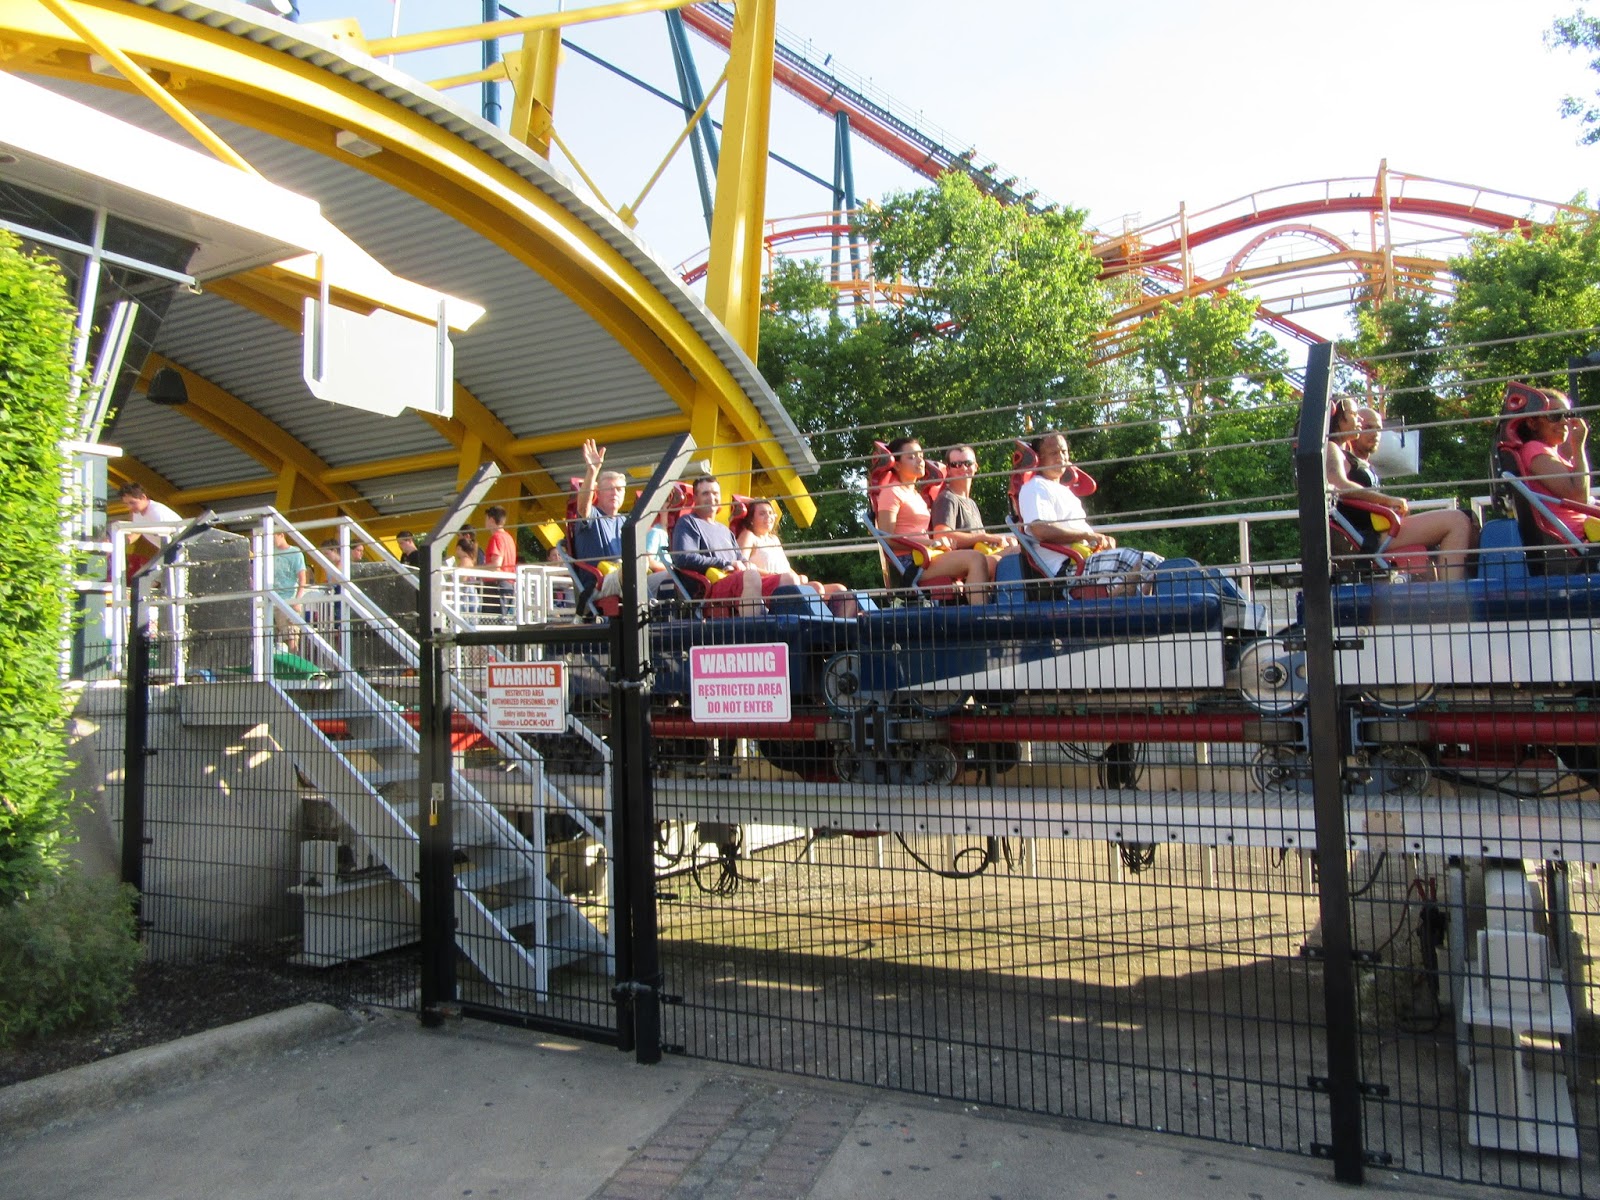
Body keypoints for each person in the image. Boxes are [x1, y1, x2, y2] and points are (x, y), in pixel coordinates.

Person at [1324, 396, 1475, 581]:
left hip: (1375, 529)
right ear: (1338, 418)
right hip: (1370, 535)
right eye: (1354, 414)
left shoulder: (1345, 452)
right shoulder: (1332, 448)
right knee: (1457, 521)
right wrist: (1388, 501)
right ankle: (1453, 595)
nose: (1360, 421)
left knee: (1464, 519)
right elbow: (1338, 484)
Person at [1017, 430, 1161, 594]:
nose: (1061, 457)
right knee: (1147, 562)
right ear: (1039, 458)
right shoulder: (1035, 487)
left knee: (1153, 571)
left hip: (1087, 559)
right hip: (1068, 567)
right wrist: (1087, 536)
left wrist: (1102, 542)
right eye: (1053, 453)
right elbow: (1040, 530)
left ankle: (1127, 604)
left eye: (1064, 451)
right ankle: (1121, 603)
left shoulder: (1065, 491)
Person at [874, 437, 996, 602]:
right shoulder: (891, 492)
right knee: (976, 559)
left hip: (927, 555)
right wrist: (930, 543)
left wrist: (939, 544)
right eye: (911, 457)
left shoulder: (914, 494)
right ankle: (981, 619)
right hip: (912, 562)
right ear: (897, 464)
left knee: (987, 559)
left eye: (920, 456)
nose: (919, 461)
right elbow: (887, 538)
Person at [672, 476, 799, 612]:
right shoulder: (688, 523)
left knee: (788, 579)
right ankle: (754, 631)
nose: (711, 498)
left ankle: (784, 629)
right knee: (751, 576)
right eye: (705, 493)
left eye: (715, 493)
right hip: (710, 587)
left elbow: (740, 557)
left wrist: (746, 563)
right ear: (695, 499)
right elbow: (683, 558)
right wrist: (727, 563)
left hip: (738, 581)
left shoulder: (725, 531)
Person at [735, 497, 857, 616]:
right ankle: (820, 629)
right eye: (762, 514)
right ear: (751, 519)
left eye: (771, 513)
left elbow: (786, 568)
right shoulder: (749, 536)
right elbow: (743, 565)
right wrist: (773, 574)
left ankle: (841, 628)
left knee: (839, 590)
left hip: (788, 583)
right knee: (816, 588)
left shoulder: (774, 539)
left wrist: (797, 576)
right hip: (768, 586)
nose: (768, 517)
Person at [1501, 383, 1593, 538]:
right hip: (1576, 538)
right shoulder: (1534, 449)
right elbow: (1579, 497)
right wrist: (1578, 446)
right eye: (1555, 416)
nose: (1564, 422)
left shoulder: (1548, 452)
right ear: (1532, 423)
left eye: (1567, 415)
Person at [931, 444, 1016, 555]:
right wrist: (983, 537)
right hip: (962, 563)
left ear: (975, 467)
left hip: (983, 557)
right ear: (948, 470)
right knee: (1018, 553)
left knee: (1019, 549)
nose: (963, 468)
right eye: (956, 464)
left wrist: (1001, 539)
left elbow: (981, 542)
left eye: (968, 463)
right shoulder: (947, 498)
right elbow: (942, 536)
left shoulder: (971, 503)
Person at [271, 529, 308, 654]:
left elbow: (302, 578)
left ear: (281, 535)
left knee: (291, 636)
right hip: (272, 600)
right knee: (271, 636)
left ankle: (294, 666)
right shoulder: (270, 553)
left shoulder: (295, 553)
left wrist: (297, 601)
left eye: (272, 537)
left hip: (288, 599)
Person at [483, 504, 518, 617]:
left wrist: (475, 569)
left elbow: (496, 565)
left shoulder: (496, 537)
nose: (485, 522)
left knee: (493, 623)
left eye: (486, 519)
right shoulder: (508, 538)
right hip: (509, 584)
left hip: (496, 586)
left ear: (491, 520)